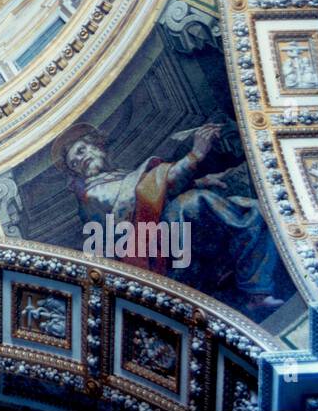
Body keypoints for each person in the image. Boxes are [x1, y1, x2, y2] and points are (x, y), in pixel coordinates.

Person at [54, 122, 284, 313]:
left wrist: (199, 181)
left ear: (98, 145)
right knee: (194, 203)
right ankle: (255, 288)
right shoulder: (91, 194)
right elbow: (143, 193)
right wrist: (195, 155)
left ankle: (257, 287)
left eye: (82, 150)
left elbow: (153, 193)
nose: (81, 161)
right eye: (74, 163)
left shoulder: (116, 177)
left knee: (246, 208)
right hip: (150, 255)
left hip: (164, 238)